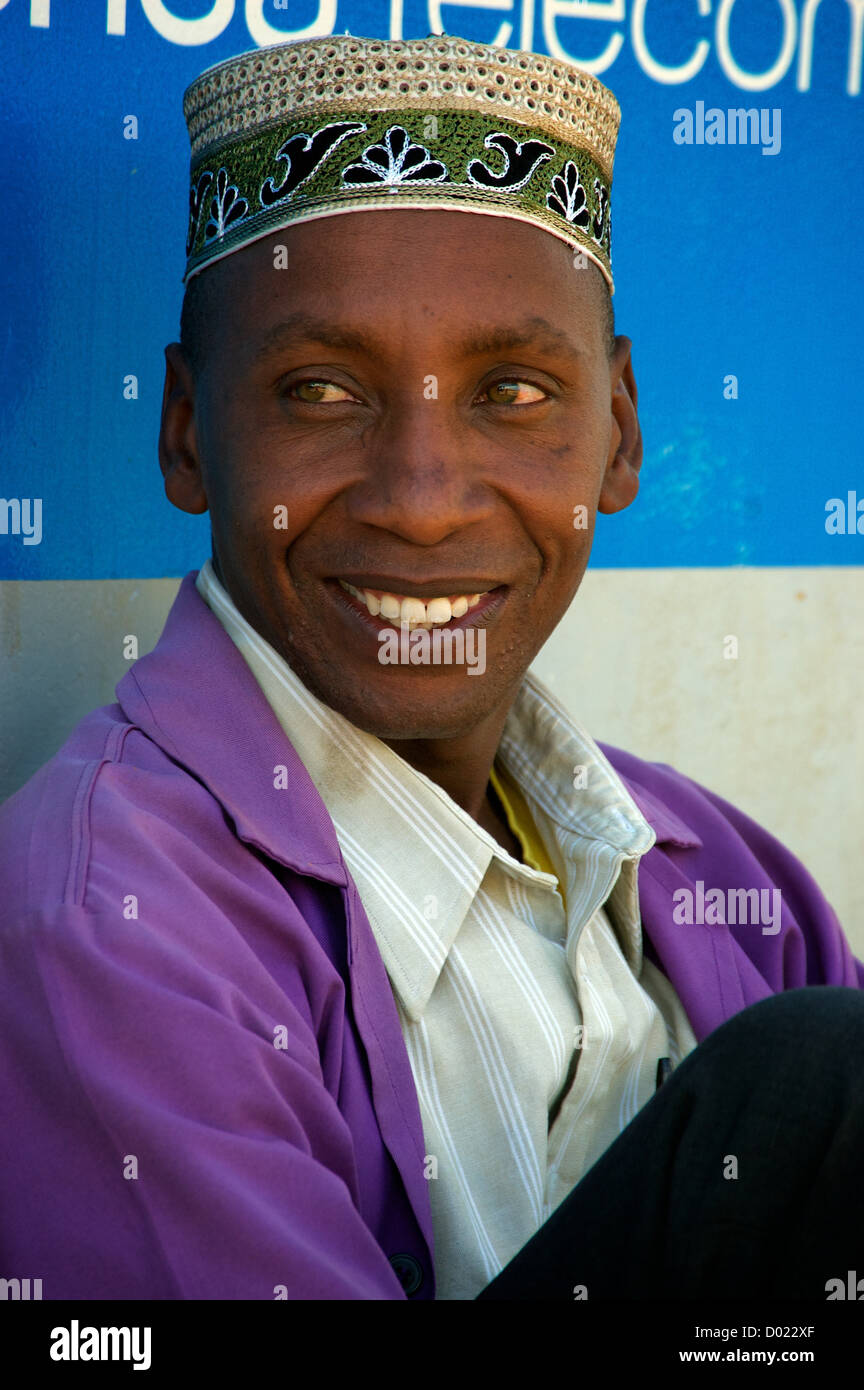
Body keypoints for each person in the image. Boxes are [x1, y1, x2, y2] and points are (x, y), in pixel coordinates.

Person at [0, 33, 862, 1303]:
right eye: (320, 391)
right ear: (188, 434)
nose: (419, 501)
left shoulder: (714, 871)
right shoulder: (107, 925)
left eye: (511, 390)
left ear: (618, 434)